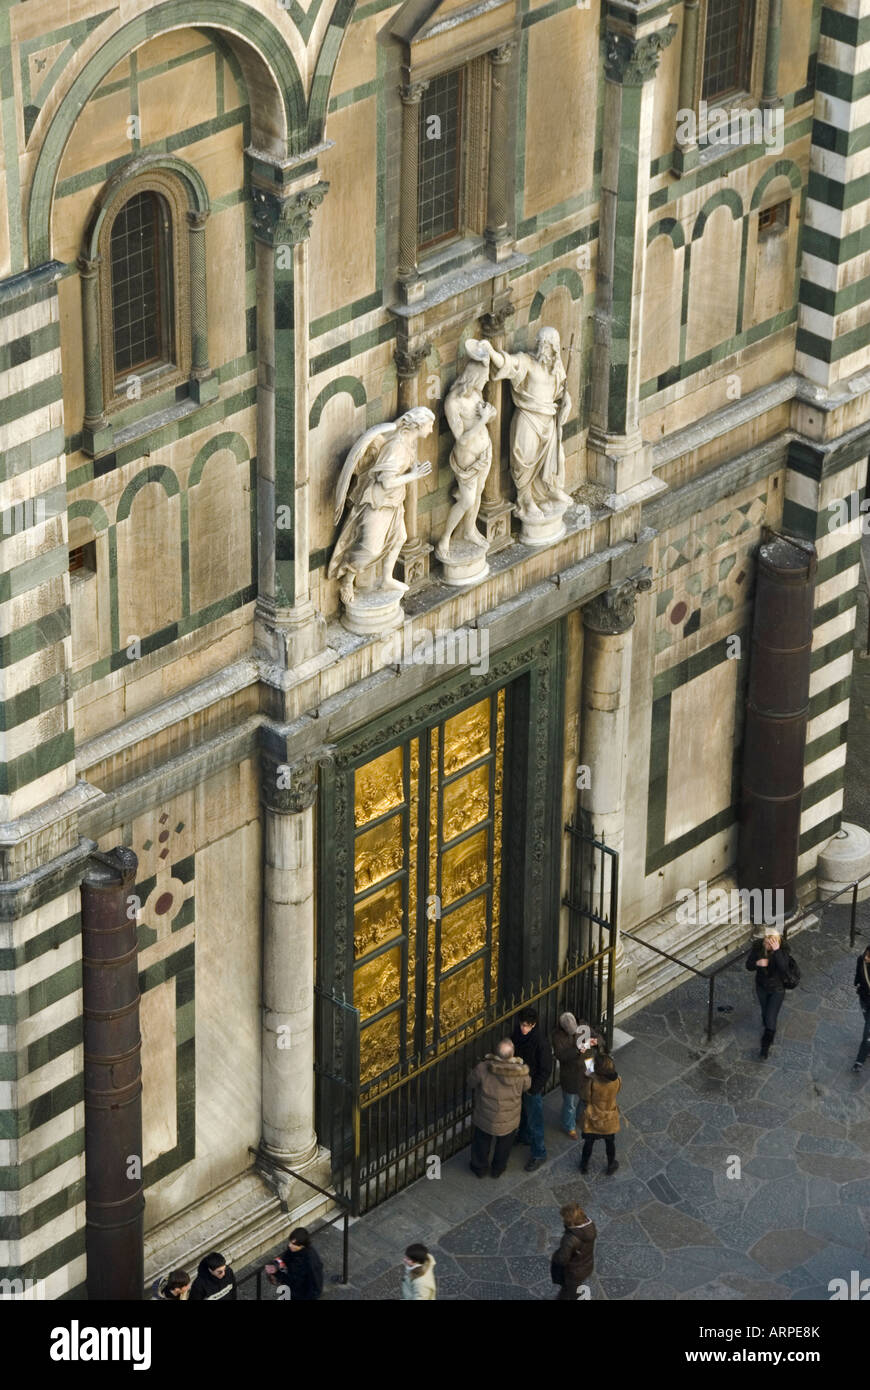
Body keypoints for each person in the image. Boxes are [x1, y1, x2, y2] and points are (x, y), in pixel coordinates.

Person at [467, 328, 572, 520]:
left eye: (547, 345)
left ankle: (552, 490)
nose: (543, 349)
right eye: (540, 344)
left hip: (549, 421)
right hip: (528, 419)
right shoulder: (527, 362)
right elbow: (507, 363)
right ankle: (526, 499)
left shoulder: (557, 369)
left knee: (559, 458)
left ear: (555, 348)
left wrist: (567, 401)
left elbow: (560, 392)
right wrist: (490, 351)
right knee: (524, 461)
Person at [467, 1037, 531, 1177]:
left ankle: (479, 1168)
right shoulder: (520, 1072)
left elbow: (471, 1082)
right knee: (504, 1146)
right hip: (509, 1118)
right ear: (512, 1055)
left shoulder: (483, 1068)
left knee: (481, 1142)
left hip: (486, 1115)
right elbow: (527, 1086)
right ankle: (498, 1169)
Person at [511, 1006, 552, 1172]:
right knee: (523, 1112)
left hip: (531, 1085)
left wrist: (534, 1088)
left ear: (533, 1025)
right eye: (522, 1024)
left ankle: (539, 1153)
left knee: (535, 1120)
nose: (523, 1028)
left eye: (527, 1025)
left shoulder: (540, 1042)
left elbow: (545, 1069)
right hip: (519, 1081)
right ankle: (524, 1135)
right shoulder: (518, 1033)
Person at [551, 1012, 597, 1139]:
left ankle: (579, 1117)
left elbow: (597, 1036)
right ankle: (569, 1126)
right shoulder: (557, 1037)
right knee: (569, 1103)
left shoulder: (583, 1025)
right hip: (571, 1073)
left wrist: (595, 1041)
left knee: (586, 1097)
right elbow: (561, 1056)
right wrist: (577, 1049)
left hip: (588, 1066)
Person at [745, 931, 790, 1058]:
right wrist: (757, 963)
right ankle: (769, 1030)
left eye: (770, 943)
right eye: (766, 942)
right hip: (762, 987)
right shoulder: (758, 948)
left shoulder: (782, 951)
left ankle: (765, 1046)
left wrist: (777, 951)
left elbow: (784, 968)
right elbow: (748, 965)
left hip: (777, 989)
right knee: (765, 1014)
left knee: (770, 1018)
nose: (767, 945)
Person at [579, 1052, 621, 1176]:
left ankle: (584, 1165)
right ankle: (611, 1164)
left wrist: (586, 1077)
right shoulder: (617, 1080)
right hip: (609, 1116)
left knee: (589, 1143)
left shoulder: (593, 1083)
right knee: (610, 1142)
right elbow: (618, 1090)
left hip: (593, 1117)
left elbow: (585, 1096)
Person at [550, 1202, 597, 1301]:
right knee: (570, 1290)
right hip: (586, 1266)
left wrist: (555, 1255)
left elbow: (562, 1259)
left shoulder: (570, 1239)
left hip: (573, 1271)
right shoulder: (590, 1226)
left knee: (569, 1292)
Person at [265, 1227, 324, 1301]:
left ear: (302, 1245)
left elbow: (316, 1286)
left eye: (293, 1244)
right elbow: (285, 1261)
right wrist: (275, 1267)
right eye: (290, 1242)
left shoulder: (311, 1261)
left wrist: (278, 1274)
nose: (290, 1245)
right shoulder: (293, 1250)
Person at [852, 944, 870, 1072]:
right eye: (866, 954)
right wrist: (857, 983)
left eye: (869, 957)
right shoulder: (861, 959)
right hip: (864, 1000)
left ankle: (859, 1061)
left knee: (867, 1034)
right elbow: (858, 973)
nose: (866, 957)